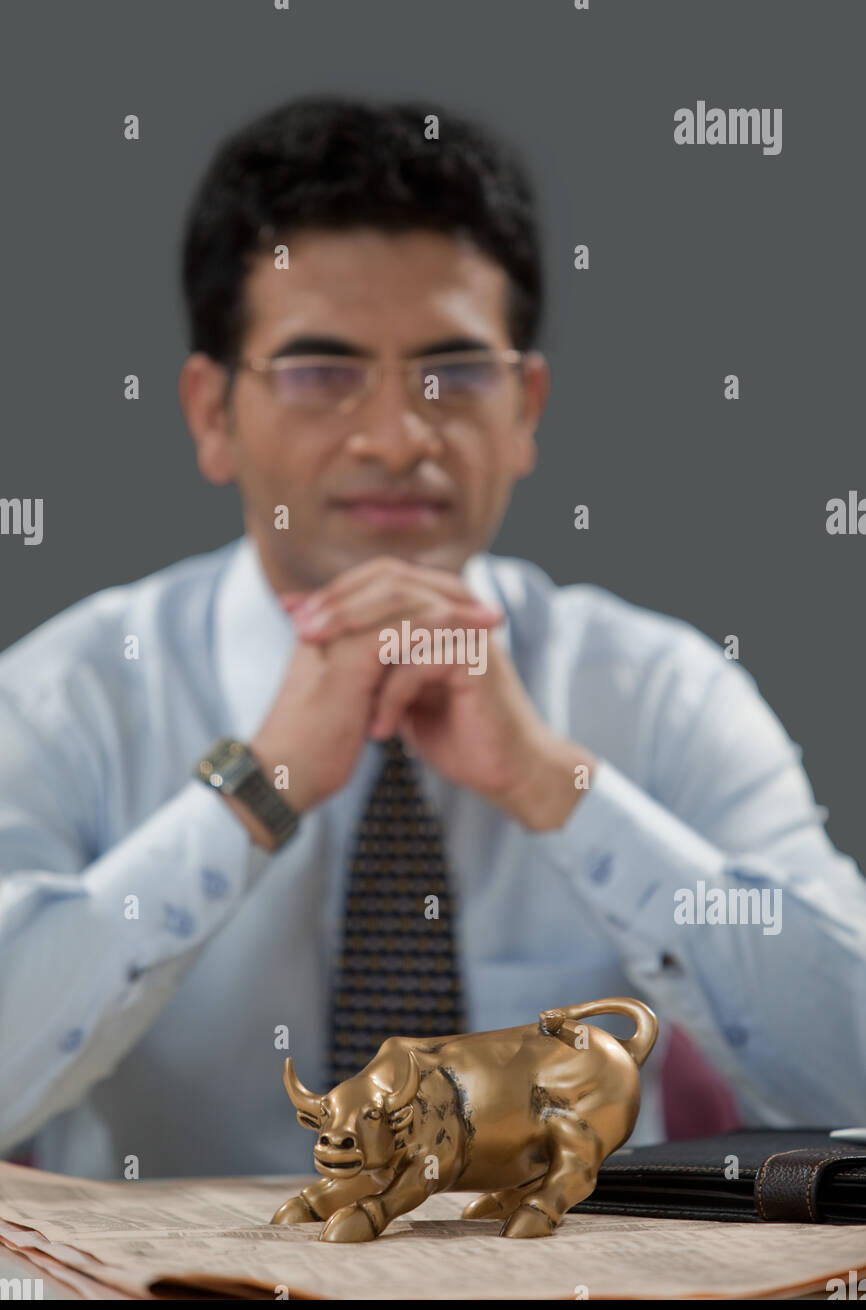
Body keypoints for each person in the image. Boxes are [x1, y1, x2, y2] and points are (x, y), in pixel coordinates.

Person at [0, 98, 863, 1181]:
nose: (397, 436)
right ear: (211, 413)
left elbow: (853, 1076)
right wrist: (251, 797)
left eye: (454, 374)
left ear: (524, 409)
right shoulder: (69, 694)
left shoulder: (658, 692)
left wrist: (558, 784)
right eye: (320, 372)